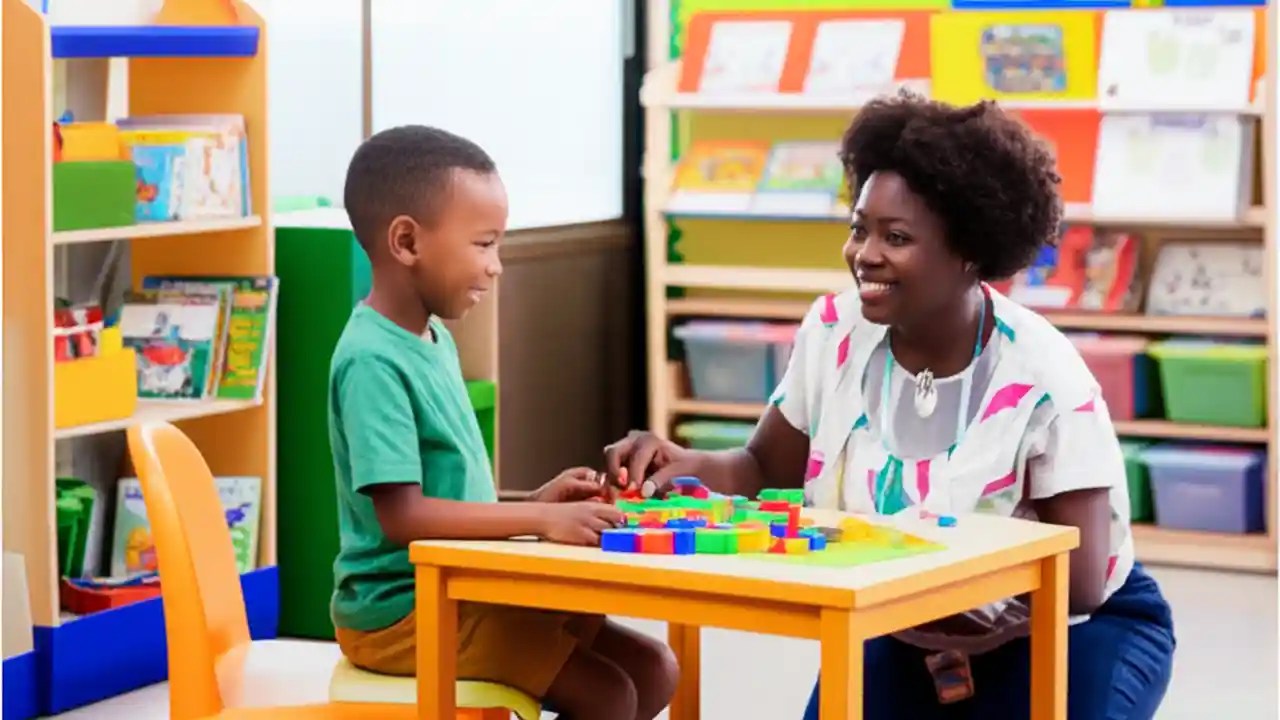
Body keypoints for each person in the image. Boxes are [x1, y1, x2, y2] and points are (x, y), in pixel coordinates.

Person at [605, 93, 1175, 719]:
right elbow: (762, 468)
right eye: (859, 228)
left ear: (971, 253)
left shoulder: (1042, 375)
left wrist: (912, 566)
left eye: (896, 237)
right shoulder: (835, 331)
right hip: (907, 633)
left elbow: (1082, 583)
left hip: (1069, 635)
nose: (864, 255)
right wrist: (678, 463)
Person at [328, 125, 678, 720]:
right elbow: (404, 517)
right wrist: (539, 519)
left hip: (461, 584)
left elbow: (448, 495)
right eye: (484, 244)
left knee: (654, 668)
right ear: (407, 241)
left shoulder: (431, 337)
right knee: (609, 695)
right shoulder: (371, 360)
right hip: (401, 614)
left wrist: (536, 500)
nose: (496, 268)